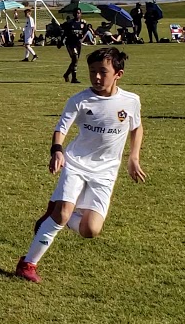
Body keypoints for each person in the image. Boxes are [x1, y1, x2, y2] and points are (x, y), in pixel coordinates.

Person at [14, 47, 146, 283]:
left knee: (90, 230)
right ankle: (28, 264)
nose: (96, 77)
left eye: (102, 72)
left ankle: (53, 215)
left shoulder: (131, 101)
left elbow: (136, 128)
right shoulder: (80, 99)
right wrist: (57, 151)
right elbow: (61, 129)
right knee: (63, 214)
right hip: (76, 163)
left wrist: (133, 158)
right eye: (92, 71)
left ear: (119, 74)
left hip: (106, 171)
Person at [60, 10, 89, 83]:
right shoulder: (70, 23)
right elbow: (65, 33)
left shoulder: (83, 23)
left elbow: (86, 32)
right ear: (73, 14)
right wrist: (60, 42)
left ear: (81, 14)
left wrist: (82, 40)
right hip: (70, 43)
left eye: (78, 13)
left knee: (74, 61)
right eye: (75, 13)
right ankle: (74, 78)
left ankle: (66, 74)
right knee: (75, 58)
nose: (77, 14)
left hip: (78, 44)